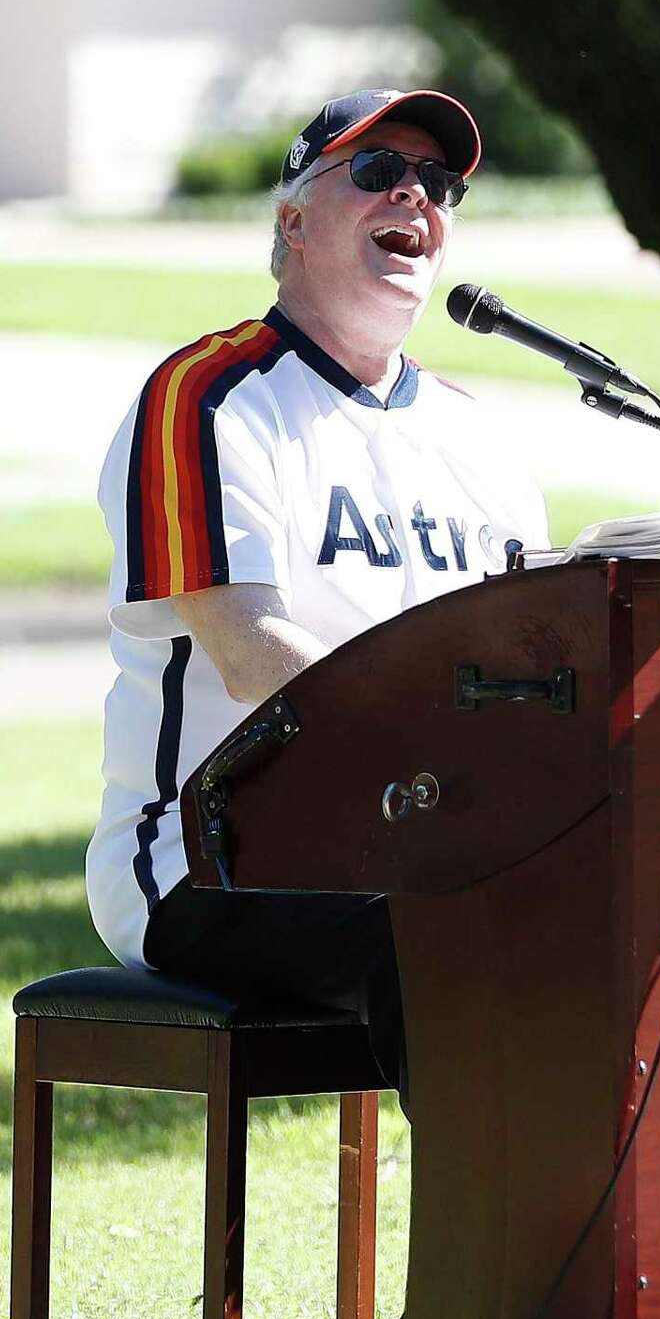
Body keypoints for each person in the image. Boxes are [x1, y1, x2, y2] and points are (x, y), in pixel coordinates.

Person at [83, 88, 549, 1103]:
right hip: (213, 860)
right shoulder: (207, 398)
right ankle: (508, 1255)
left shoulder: (479, 438)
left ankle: (645, 1247)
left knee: (647, 921)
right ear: (291, 222)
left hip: (423, 838)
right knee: (440, 939)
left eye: (439, 183)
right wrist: (452, 751)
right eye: (379, 172)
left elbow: (529, 659)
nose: (414, 198)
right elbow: (253, 654)